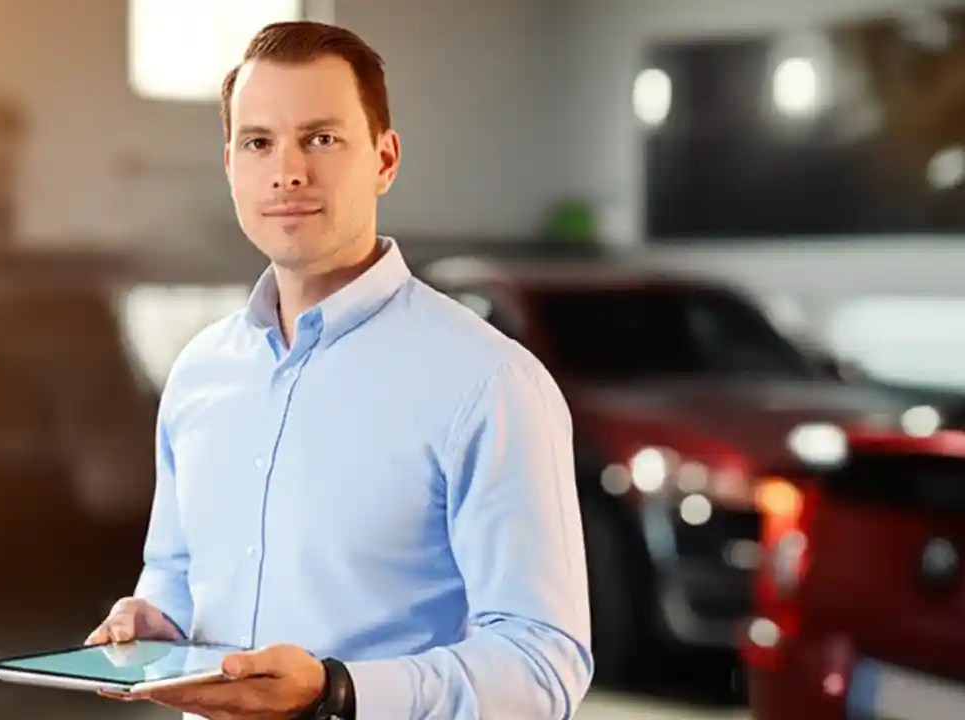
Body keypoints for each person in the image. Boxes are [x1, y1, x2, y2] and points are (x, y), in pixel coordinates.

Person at [85, 20, 592, 720]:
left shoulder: (488, 383)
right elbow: (175, 574)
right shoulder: (201, 374)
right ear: (231, 164)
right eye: (259, 142)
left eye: (321, 138)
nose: (288, 170)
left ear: (385, 159)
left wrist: (339, 692)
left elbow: (543, 664)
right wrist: (154, 625)